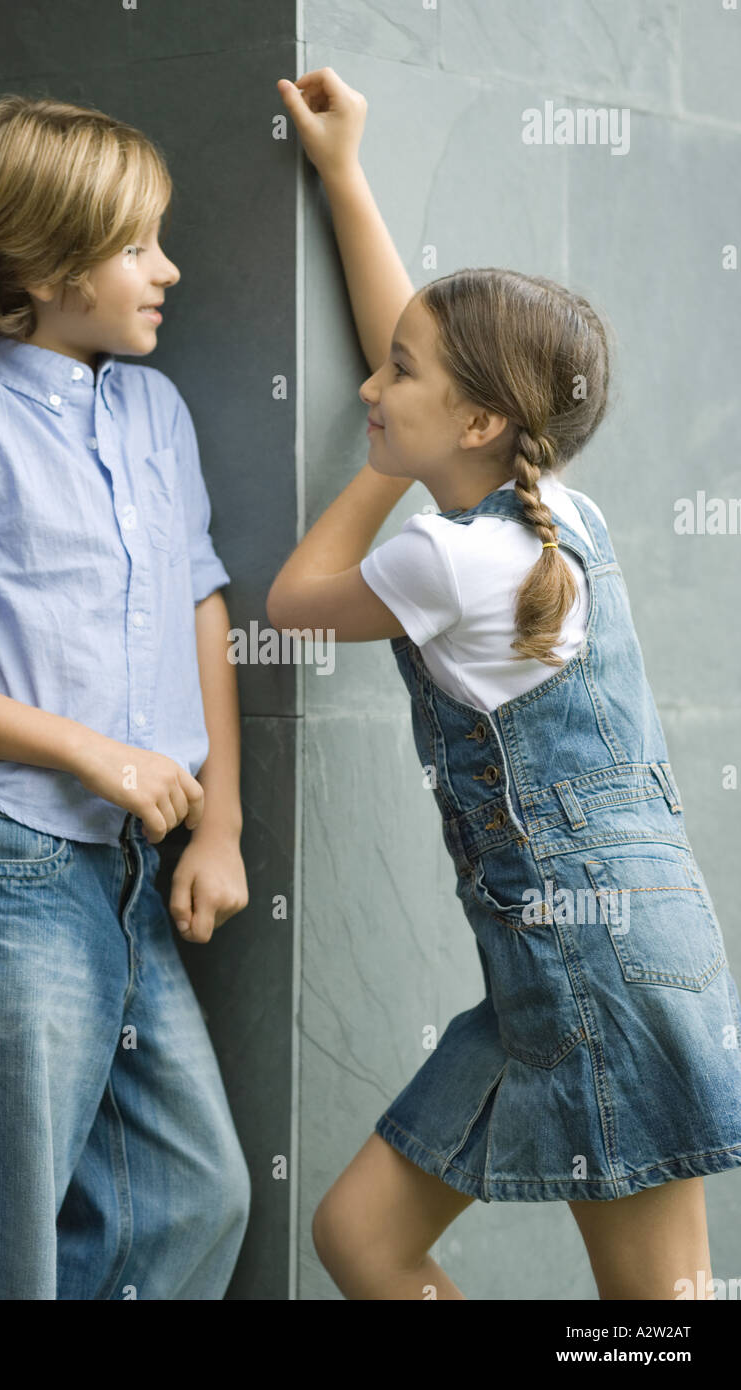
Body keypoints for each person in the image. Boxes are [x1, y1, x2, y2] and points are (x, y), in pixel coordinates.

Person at [270, 67, 741, 1301]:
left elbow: (292, 598)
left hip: (598, 975)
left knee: (656, 1316)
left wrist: (384, 459)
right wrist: (344, 174)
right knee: (359, 1238)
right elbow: (429, 349)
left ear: (480, 420)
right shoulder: (554, 506)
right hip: (595, 960)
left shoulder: (446, 556)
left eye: (396, 378)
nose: (371, 386)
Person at [0, 94, 251, 1299]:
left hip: (125, 876)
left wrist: (218, 820)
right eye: (137, 245)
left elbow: (199, 605)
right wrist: (93, 751)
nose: (167, 268)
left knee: (192, 1196)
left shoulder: (155, 412)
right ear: (34, 265)